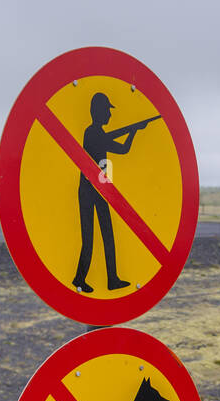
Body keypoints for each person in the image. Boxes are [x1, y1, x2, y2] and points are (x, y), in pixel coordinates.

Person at [71, 92, 152, 293]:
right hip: (89, 190)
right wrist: (133, 132)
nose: (109, 114)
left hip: (101, 189)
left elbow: (117, 145)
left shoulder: (97, 133)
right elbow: (123, 149)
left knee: (107, 233)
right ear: (98, 111)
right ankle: (79, 279)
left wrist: (133, 130)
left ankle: (112, 278)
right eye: (107, 109)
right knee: (89, 237)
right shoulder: (93, 133)